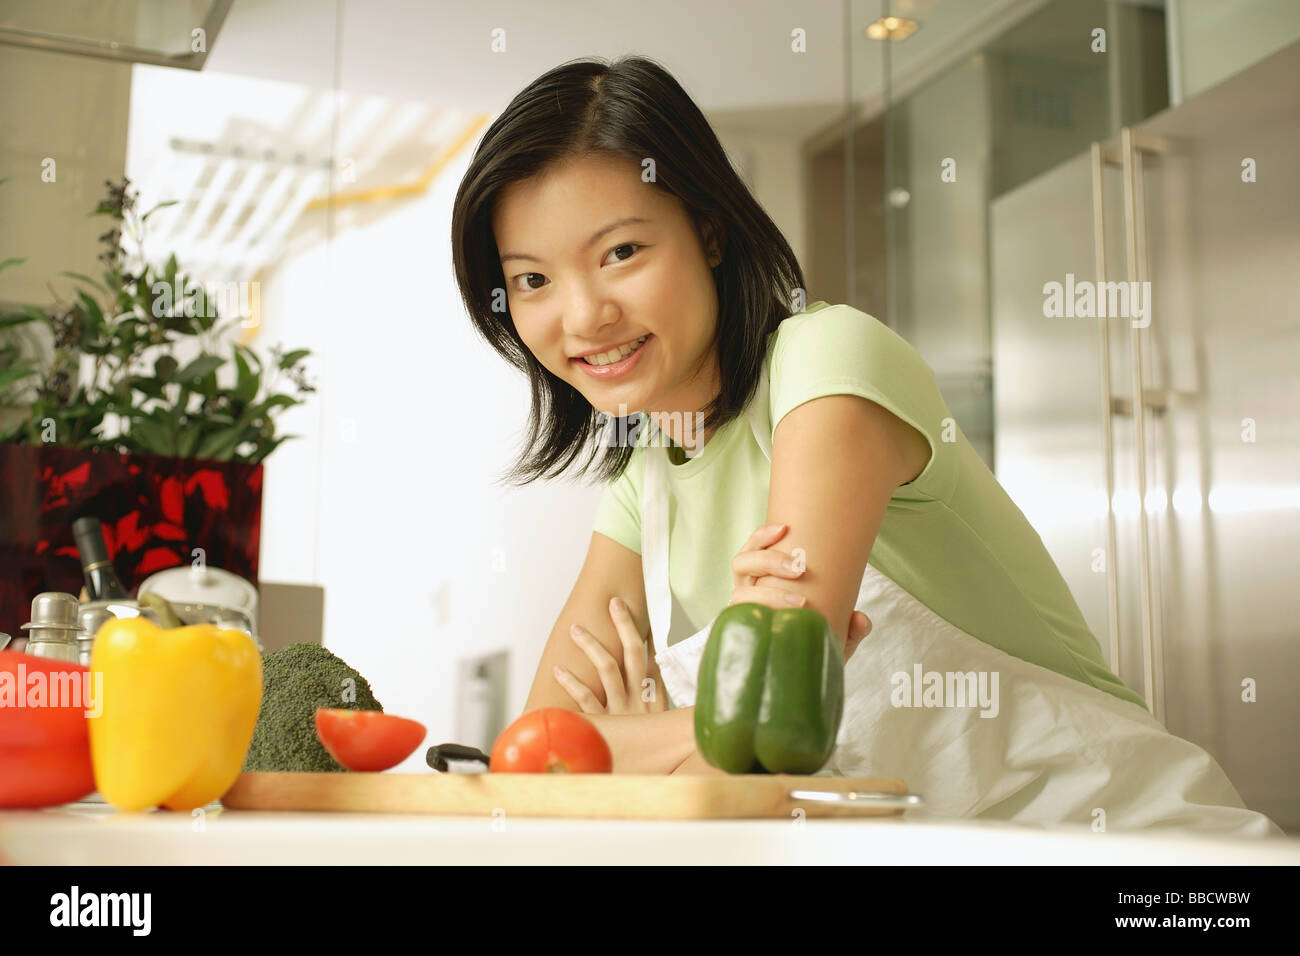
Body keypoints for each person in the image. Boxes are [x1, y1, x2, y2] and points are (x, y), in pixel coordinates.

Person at [450, 54, 1283, 837]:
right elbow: (532, 758)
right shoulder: (646, 479)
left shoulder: (826, 365)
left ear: (708, 231)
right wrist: (693, 737)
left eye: (621, 252)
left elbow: (766, 734)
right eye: (532, 279)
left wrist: (641, 742)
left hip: (1127, 851)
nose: (584, 313)